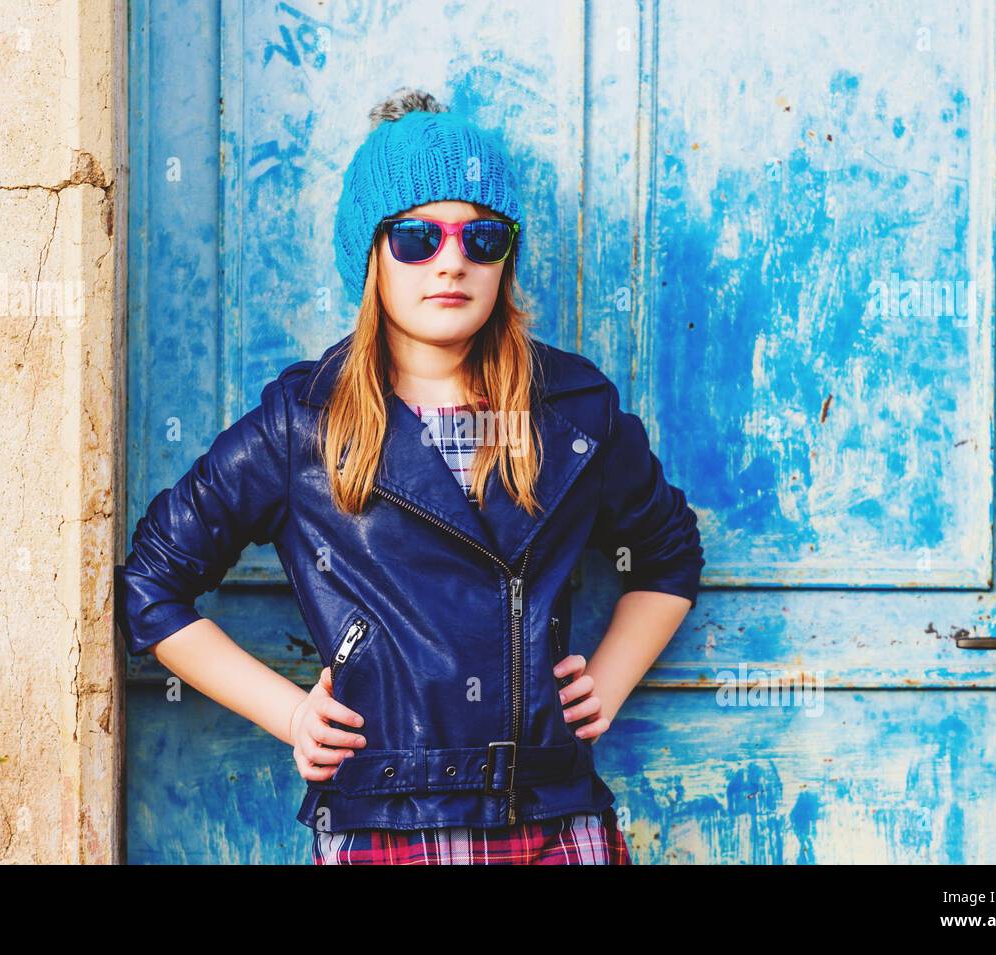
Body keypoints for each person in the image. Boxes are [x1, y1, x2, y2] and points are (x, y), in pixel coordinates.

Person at [114, 86, 705, 865]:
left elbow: (669, 551)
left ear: (505, 258)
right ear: (371, 254)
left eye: (482, 237)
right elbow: (151, 584)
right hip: (383, 823)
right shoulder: (306, 421)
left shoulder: (573, 410)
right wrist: (291, 714)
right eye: (417, 238)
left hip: (555, 817)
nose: (452, 261)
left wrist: (610, 676)